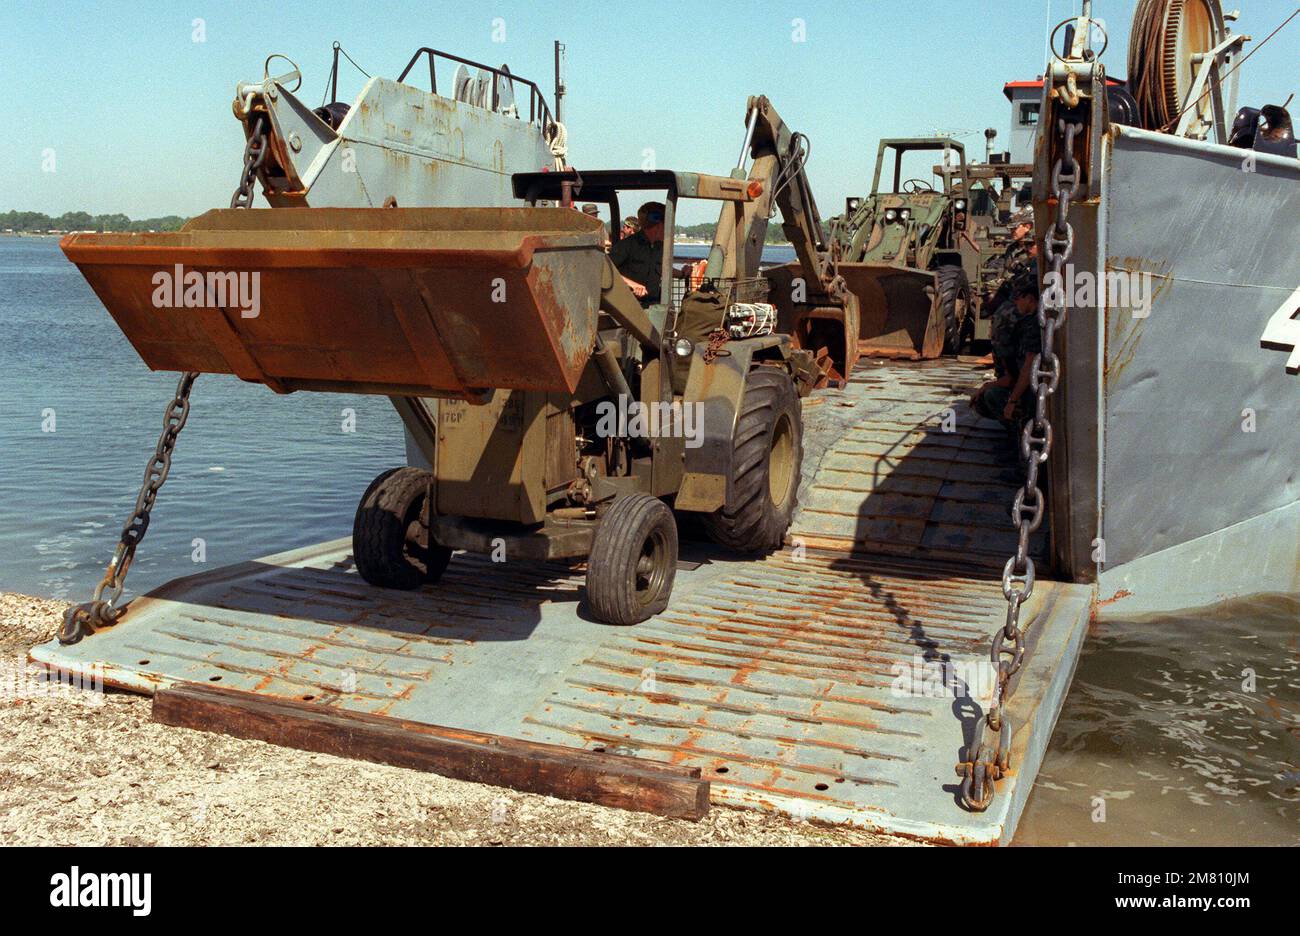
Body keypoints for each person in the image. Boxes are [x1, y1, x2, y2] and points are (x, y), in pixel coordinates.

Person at [971, 282, 1041, 429]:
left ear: (1029, 298)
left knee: (990, 397)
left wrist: (1012, 401)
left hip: (1034, 394)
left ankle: (1024, 429)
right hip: (1031, 387)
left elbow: (1028, 367)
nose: (1015, 303)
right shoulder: (1030, 320)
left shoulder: (1032, 325)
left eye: (1017, 299)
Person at [610, 202, 665, 304]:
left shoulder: (660, 247)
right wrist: (632, 285)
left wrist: (683, 273)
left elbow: (661, 267)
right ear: (659, 225)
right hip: (628, 306)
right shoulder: (627, 245)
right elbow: (605, 269)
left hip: (654, 305)